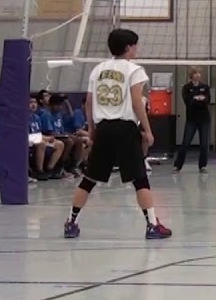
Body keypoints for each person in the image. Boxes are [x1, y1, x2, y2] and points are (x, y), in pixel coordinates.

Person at [64, 28, 171, 240]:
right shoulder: (135, 70)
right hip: (124, 128)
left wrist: (93, 128)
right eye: (135, 45)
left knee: (88, 179)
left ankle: (71, 222)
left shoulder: (98, 70)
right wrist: (147, 130)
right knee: (140, 179)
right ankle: (152, 225)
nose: (137, 49)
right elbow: (136, 101)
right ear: (129, 47)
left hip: (103, 128)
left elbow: (89, 102)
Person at [173, 67, 212, 174]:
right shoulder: (186, 88)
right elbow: (188, 102)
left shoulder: (205, 87)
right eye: (196, 73)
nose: (198, 75)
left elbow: (207, 100)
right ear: (191, 75)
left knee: (204, 144)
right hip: (192, 119)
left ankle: (202, 166)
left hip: (204, 119)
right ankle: (177, 166)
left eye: (199, 73)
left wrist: (199, 99)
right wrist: (196, 99)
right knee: (185, 143)